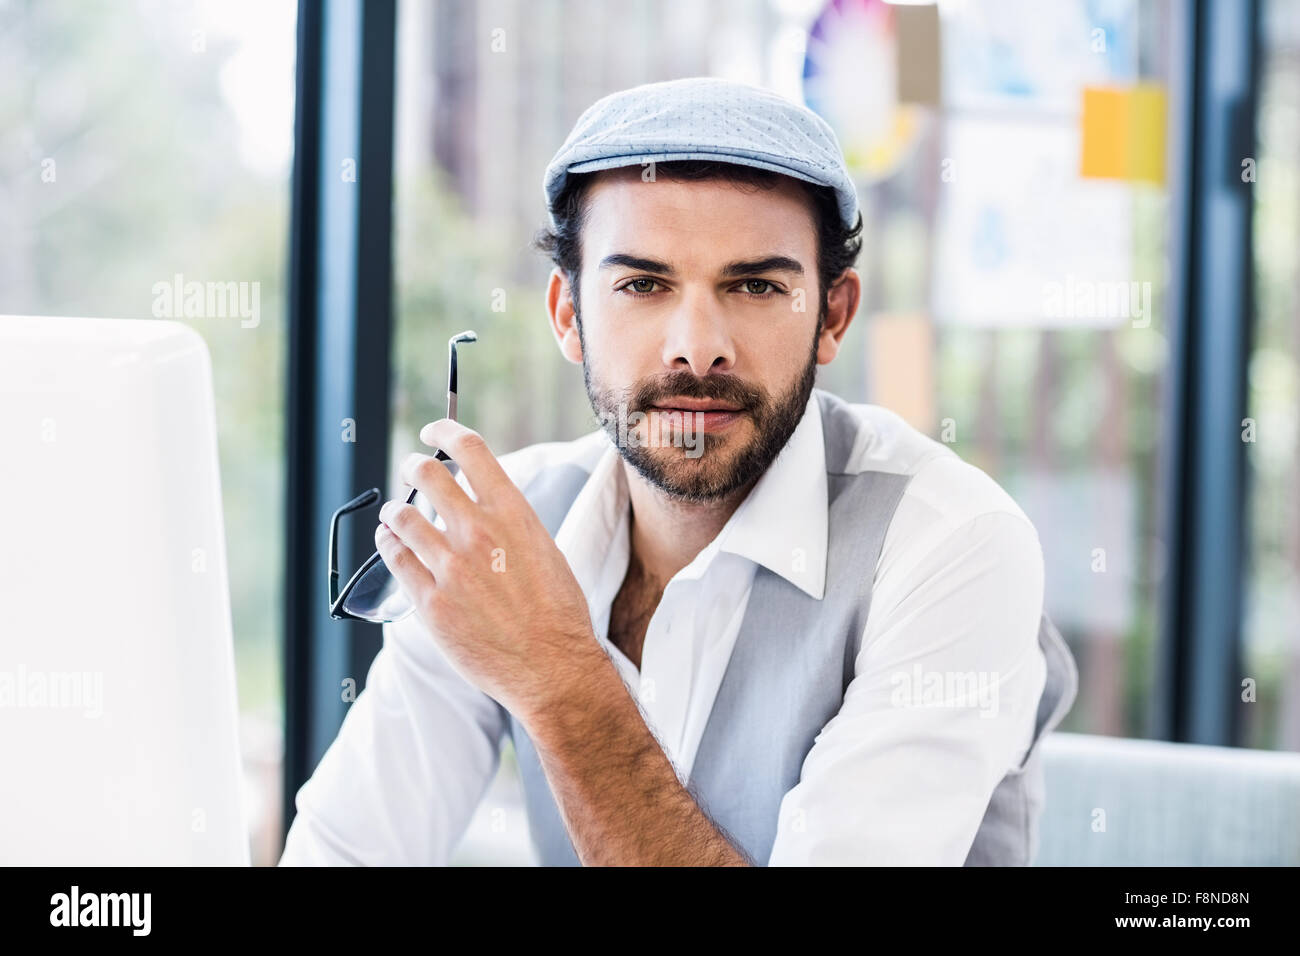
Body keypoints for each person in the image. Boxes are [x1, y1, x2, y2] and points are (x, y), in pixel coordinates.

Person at [279, 76, 1076, 867]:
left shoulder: (953, 544)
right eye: (643, 285)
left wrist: (558, 676)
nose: (697, 347)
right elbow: (346, 848)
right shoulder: (498, 534)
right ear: (569, 316)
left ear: (832, 317)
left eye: (757, 285)